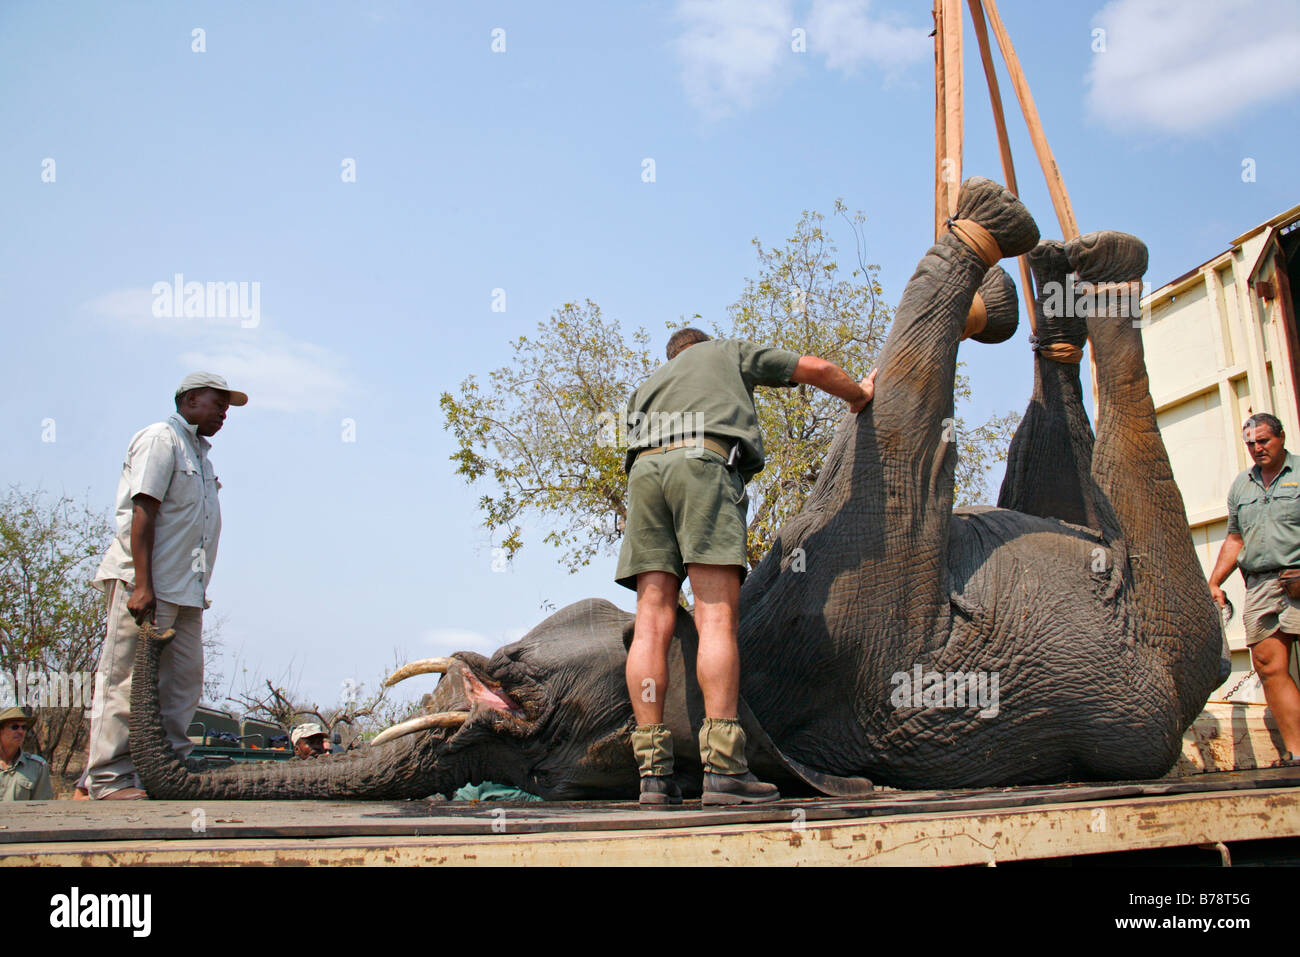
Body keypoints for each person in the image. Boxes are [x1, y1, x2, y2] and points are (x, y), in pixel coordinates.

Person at [616, 329, 876, 805]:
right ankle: (725, 770)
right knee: (715, 615)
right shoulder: (726, 352)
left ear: (673, 355)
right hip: (702, 464)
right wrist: (859, 394)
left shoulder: (647, 385)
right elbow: (815, 369)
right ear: (701, 345)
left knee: (651, 621)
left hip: (644, 476)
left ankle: (653, 777)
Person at [86, 372, 248, 799]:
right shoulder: (162, 439)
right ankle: (108, 777)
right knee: (126, 681)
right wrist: (142, 585)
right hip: (148, 586)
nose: (223, 413)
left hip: (186, 591)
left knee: (181, 683)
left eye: (227, 407)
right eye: (218, 402)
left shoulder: (201, 456)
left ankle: (165, 770)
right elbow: (143, 510)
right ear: (190, 399)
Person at [1208, 412, 1300, 765]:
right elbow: (1235, 538)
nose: (1257, 448)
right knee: (1268, 664)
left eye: (1264, 440)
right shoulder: (1241, 486)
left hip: (1299, 576)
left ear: (1281, 437)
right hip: (1261, 584)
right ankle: (1296, 751)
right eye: (1251, 443)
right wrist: (1215, 581)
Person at [0, 706, 54, 801]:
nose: (21, 731)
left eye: (24, 727)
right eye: (15, 727)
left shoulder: (38, 767)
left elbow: (42, 809)